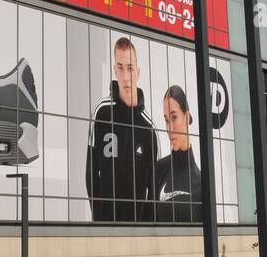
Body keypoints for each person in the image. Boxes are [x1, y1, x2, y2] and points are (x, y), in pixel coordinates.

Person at [85, 37, 157, 222]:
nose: (126, 76)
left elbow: (153, 187)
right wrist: (100, 218)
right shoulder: (101, 113)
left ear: (138, 72)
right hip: (105, 226)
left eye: (130, 68)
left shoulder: (148, 128)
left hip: (139, 230)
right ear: (115, 70)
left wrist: (146, 226)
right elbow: (90, 172)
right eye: (121, 67)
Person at [154, 85, 203, 223]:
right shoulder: (159, 170)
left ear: (186, 117)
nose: (169, 128)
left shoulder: (201, 183)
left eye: (174, 117)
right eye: (166, 120)